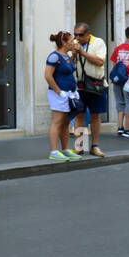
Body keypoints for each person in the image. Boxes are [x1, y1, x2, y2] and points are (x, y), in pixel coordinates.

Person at [71, 23, 107, 158]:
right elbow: (69, 63)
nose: (77, 37)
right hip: (79, 85)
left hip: (95, 84)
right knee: (79, 115)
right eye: (76, 34)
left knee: (95, 116)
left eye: (80, 35)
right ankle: (80, 145)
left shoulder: (98, 42)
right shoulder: (73, 44)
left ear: (88, 34)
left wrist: (82, 53)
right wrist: (74, 55)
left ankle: (94, 146)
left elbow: (99, 61)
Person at [45, 32, 82, 162]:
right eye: (71, 41)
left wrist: (75, 55)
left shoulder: (67, 56)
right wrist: (58, 91)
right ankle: (54, 151)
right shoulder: (55, 56)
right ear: (64, 43)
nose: (74, 43)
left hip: (69, 93)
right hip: (59, 94)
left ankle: (65, 149)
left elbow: (68, 69)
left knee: (66, 122)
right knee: (57, 121)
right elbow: (48, 76)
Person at [110, 26, 129, 137]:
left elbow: (114, 64)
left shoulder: (118, 48)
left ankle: (120, 126)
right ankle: (128, 128)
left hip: (118, 79)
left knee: (119, 102)